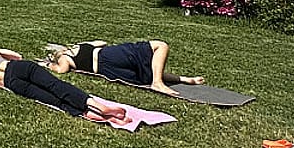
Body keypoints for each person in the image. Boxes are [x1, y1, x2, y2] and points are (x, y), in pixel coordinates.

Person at [0, 46, 126, 122]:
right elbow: (17, 57)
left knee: (50, 99)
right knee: (56, 85)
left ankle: (84, 113)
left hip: (12, 82)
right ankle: (96, 105)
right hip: (20, 68)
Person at [43, 39, 204, 96]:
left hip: (109, 66)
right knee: (160, 46)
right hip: (108, 57)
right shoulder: (68, 55)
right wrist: (50, 65)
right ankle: (158, 83)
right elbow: (61, 70)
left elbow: (101, 42)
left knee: (148, 71)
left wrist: (51, 63)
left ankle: (183, 79)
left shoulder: (68, 55)